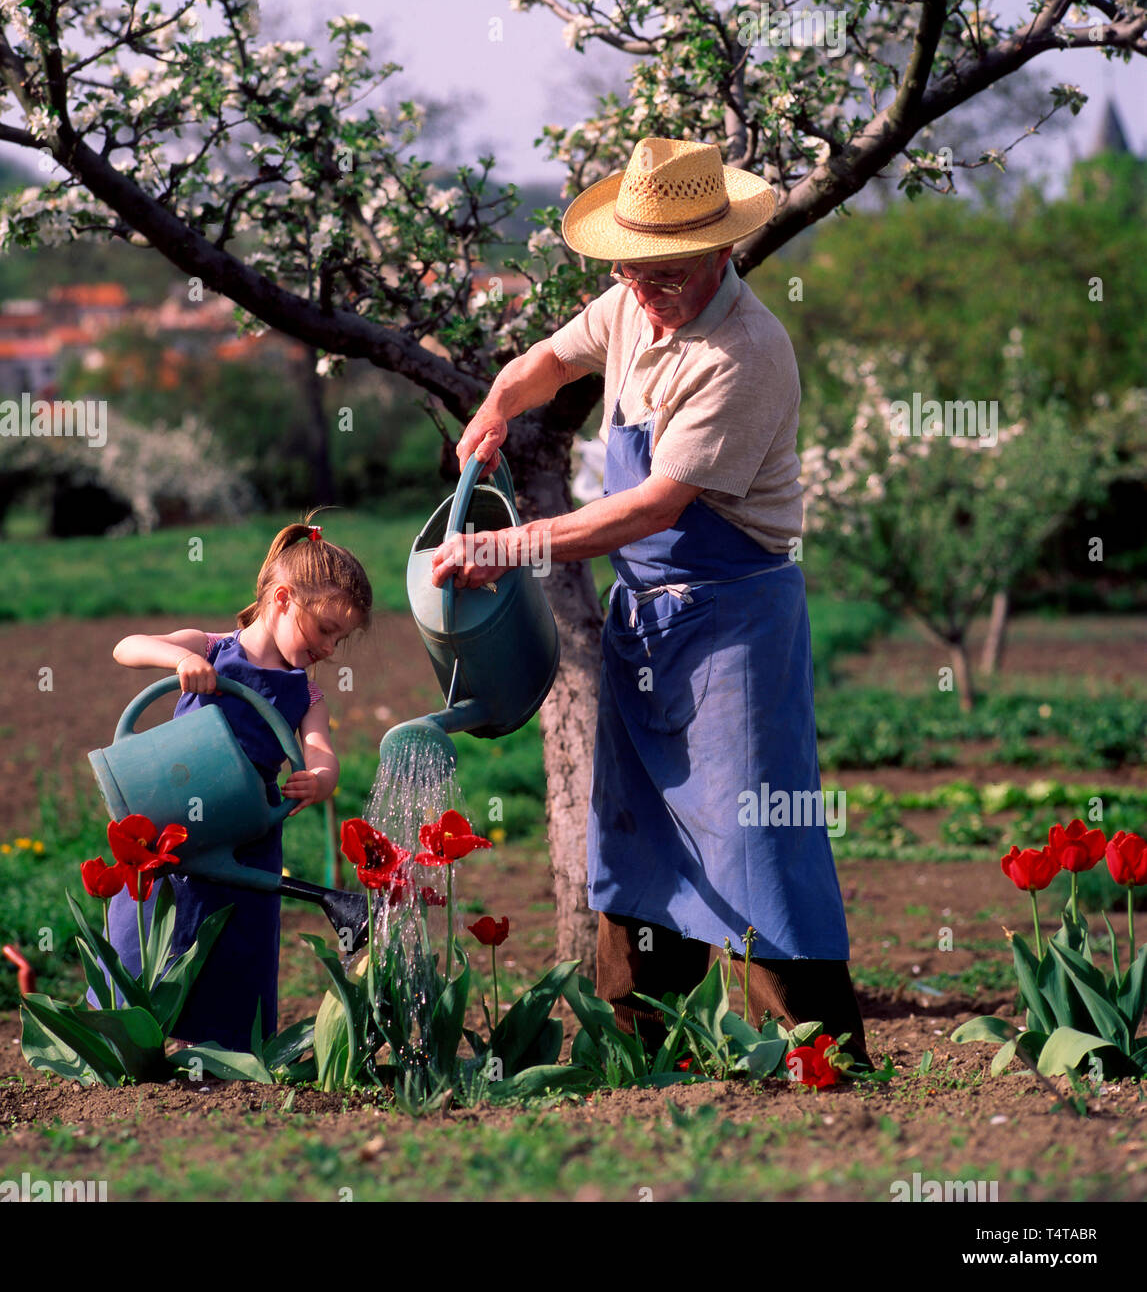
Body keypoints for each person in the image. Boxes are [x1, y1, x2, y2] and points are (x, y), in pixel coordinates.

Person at [431, 136, 871, 1066]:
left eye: (664, 275)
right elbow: (548, 359)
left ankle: (821, 1054)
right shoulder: (633, 305)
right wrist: (497, 407)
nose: (643, 291)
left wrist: (504, 546)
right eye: (631, 272)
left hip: (732, 623)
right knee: (633, 838)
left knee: (757, 830)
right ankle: (637, 1054)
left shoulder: (744, 352)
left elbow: (650, 507)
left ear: (721, 252)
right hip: (648, 625)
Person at [91, 515, 372, 1052]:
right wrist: (181, 659)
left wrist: (319, 779)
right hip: (173, 820)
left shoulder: (305, 696)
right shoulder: (211, 647)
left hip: (247, 833)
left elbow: (320, 752)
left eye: (341, 638)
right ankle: (123, 1041)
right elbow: (126, 646)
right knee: (148, 926)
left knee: (237, 940)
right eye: (326, 630)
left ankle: (223, 1056)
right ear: (284, 598)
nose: (331, 649)